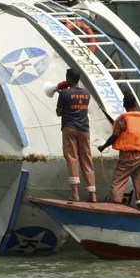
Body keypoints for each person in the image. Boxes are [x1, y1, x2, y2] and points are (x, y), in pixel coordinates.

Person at [98, 96, 140, 209]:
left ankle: (115, 205)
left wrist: (103, 147)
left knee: (118, 181)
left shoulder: (122, 120)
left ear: (124, 106)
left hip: (127, 157)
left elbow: (114, 137)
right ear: (135, 105)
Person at [54, 68, 96, 202]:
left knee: (72, 158)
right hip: (84, 129)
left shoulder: (64, 94)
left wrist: (61, 96)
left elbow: (59, 112)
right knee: (86, 159)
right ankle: (92, 195)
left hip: (69, 128)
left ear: (68, 78)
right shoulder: (87, 93)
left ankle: (75, 195)